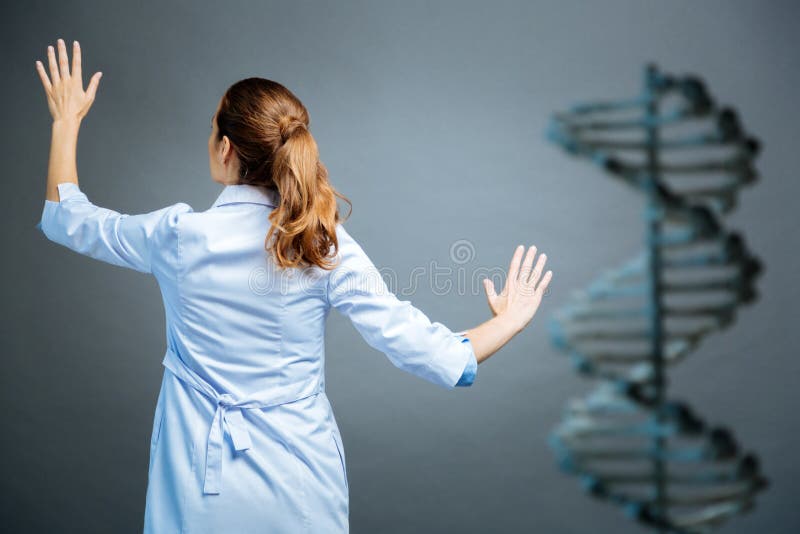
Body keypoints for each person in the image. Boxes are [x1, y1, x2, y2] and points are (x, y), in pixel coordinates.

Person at [34, 38, 553, 533]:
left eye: (212, 128)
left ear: (226, 148)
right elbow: (436, 356)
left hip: (200, 486)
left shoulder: (178, 237)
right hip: (302, 483)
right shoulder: (322, 244)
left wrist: (66, 121)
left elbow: (67, 217)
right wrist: (508, 320)